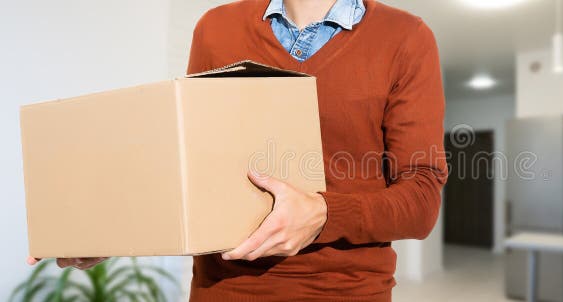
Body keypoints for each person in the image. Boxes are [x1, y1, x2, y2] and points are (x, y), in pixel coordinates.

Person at [29, 0, 447, 300]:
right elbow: (193, 169)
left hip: (343, 291)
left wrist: (322, 214)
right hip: (223, 290)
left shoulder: (405, 38)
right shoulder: (216, 28)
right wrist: (113, 231)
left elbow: (422, 197)